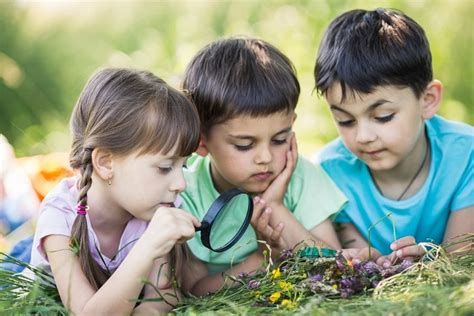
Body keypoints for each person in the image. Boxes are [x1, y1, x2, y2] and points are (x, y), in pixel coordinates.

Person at [26, 68, 207, 314]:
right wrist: (150, 245)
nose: (180, 184)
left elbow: (163, 295)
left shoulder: (155, 209)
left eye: (182, 165)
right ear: (105, 163)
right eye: (165, 167)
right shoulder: (60, 219)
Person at [181, 37, 347, 294]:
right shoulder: (185, 194)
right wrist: (263, 258)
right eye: (245, 145)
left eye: (280, 139)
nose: (265, 158)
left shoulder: (300, 178)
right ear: (201, 141)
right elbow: (194, 290)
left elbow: (337, 266)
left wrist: (275, 207)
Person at [314, 8, 473, 266]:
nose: (363, 136)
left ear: (428, 100)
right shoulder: (329, 171)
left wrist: (430, 262)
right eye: (345, 120)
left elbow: (461, 262)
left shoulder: (466, 155)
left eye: (383, 116)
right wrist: (369, 260)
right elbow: (353, 253)